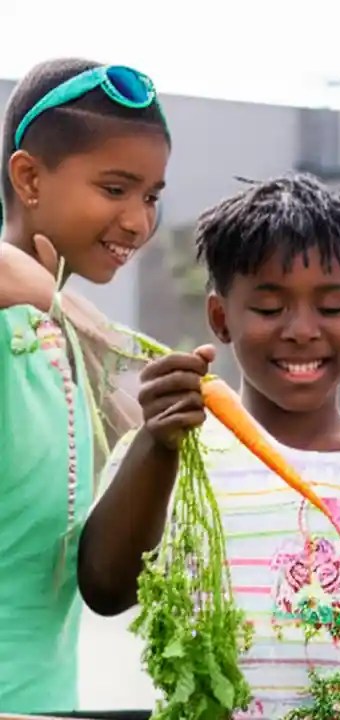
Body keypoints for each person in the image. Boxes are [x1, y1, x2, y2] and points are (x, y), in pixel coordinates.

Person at [76, 174, 340, 717]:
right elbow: (105, 587)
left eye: (331, 309)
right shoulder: (175, 449)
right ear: (221, 319)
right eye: (268, 308)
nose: (302, 330)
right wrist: (157, 445)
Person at [0, 57, 169, 713]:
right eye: (115, 188)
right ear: (29, 176)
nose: (137, 221)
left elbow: (102, 584)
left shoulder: (65, 339)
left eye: (151, 195)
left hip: (46, 702)